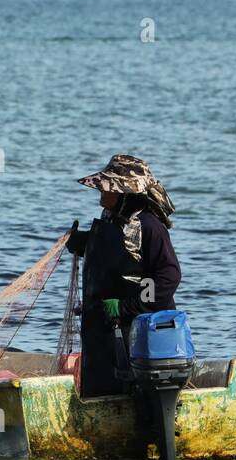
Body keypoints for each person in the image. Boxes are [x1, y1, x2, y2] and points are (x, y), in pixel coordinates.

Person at [65, 155, 181, 398]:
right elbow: (116, 256)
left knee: (126, 389)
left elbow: (167, 276)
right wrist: (86, 244)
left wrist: (127, 307)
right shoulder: (113, 219)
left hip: (137, 334)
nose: (101, 192)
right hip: (103, 329)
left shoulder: (149, 227)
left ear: (125, 192)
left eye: (108, 187)